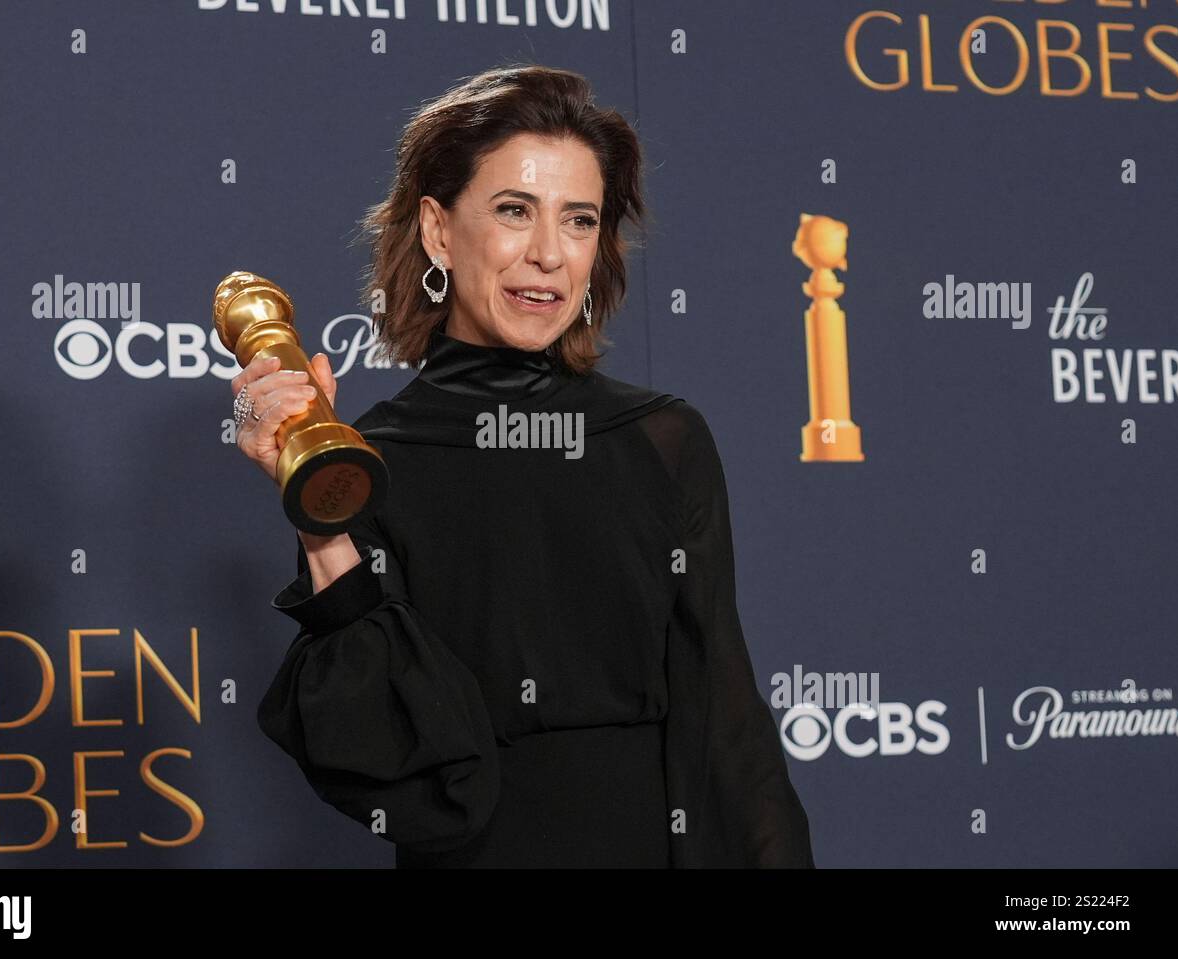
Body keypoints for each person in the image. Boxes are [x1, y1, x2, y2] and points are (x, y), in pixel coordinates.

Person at [232, 65, 815, 868]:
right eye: (514, 211)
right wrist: (319, 507)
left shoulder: (664, 439)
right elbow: (390, 747)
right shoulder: (372, 458)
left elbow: (729, 727)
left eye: (579, 220)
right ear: (438, 230)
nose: (548, 254)